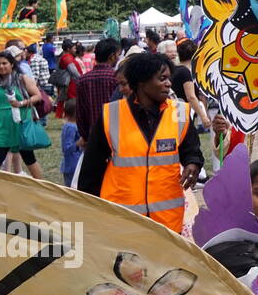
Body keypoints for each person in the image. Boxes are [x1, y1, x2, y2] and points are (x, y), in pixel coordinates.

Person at [77, 52, 203, 232]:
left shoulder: (180, 112)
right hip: (123, 219)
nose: (169, 83)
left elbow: (192, 150)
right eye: (162, 78)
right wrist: (91, 210)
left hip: (167, 221)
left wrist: (193, 163)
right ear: (142, 81)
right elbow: (91, 169)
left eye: (169, 78)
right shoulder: (111, 115)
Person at [0, 51, 48, 178]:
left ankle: (43, 187)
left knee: (29, 158)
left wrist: (22, 103)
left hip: (21, 124)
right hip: (3, 126)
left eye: (4, 63)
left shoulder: (21, 78)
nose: (1, 66)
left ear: (12, 64)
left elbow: (38, 96)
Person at [75, 38, 121, 146]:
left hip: (93, 136)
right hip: (116, 135)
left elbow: (80, 113)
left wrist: (85, 136)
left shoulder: (83, 80)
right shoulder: (117, 79)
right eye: (118, 54)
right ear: (112, 56)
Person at [171, 39, 212, 131]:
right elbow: (191, 97)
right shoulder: (186, 72)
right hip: (183, 112)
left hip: (174, 111)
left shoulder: (174, 70)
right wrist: (203, 117)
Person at [60, 98, 82, 187]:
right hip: (72, 166)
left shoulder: (75, 126)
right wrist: (79, 143)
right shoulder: (70, 127)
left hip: (76, 164)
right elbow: (66, 148)